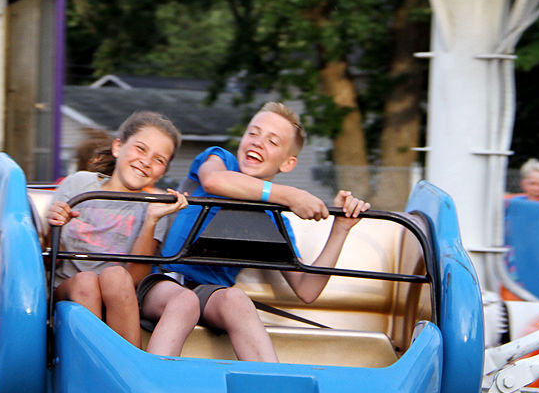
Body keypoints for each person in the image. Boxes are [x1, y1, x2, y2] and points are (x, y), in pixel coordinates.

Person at [137, 102, 370, 361]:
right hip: (165, 283)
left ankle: (271, 382)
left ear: (288, 163)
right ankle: (153, 379)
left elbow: (307, 289)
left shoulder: (274, 218)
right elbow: (214, 181)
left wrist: (340, 229)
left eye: (272, 141)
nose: (258, 142)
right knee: (184, 302)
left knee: (237, 300)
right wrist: (290, 195)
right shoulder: (221, 160)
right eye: (253, 133)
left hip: (209, 296)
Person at [45, 111, 189, 348]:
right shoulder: (79, 184)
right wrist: (56, 224)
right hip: (68, 289)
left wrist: (151, 220)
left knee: (116, 276)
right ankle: (94, 360)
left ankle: (128, 361)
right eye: (140, 149)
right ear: (118, 147)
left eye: (158, 160)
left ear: (163, 172)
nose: (146, 161)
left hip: (116, 295)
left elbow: (135, 279)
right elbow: (51, 258)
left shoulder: (154, 208)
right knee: (86, 282)